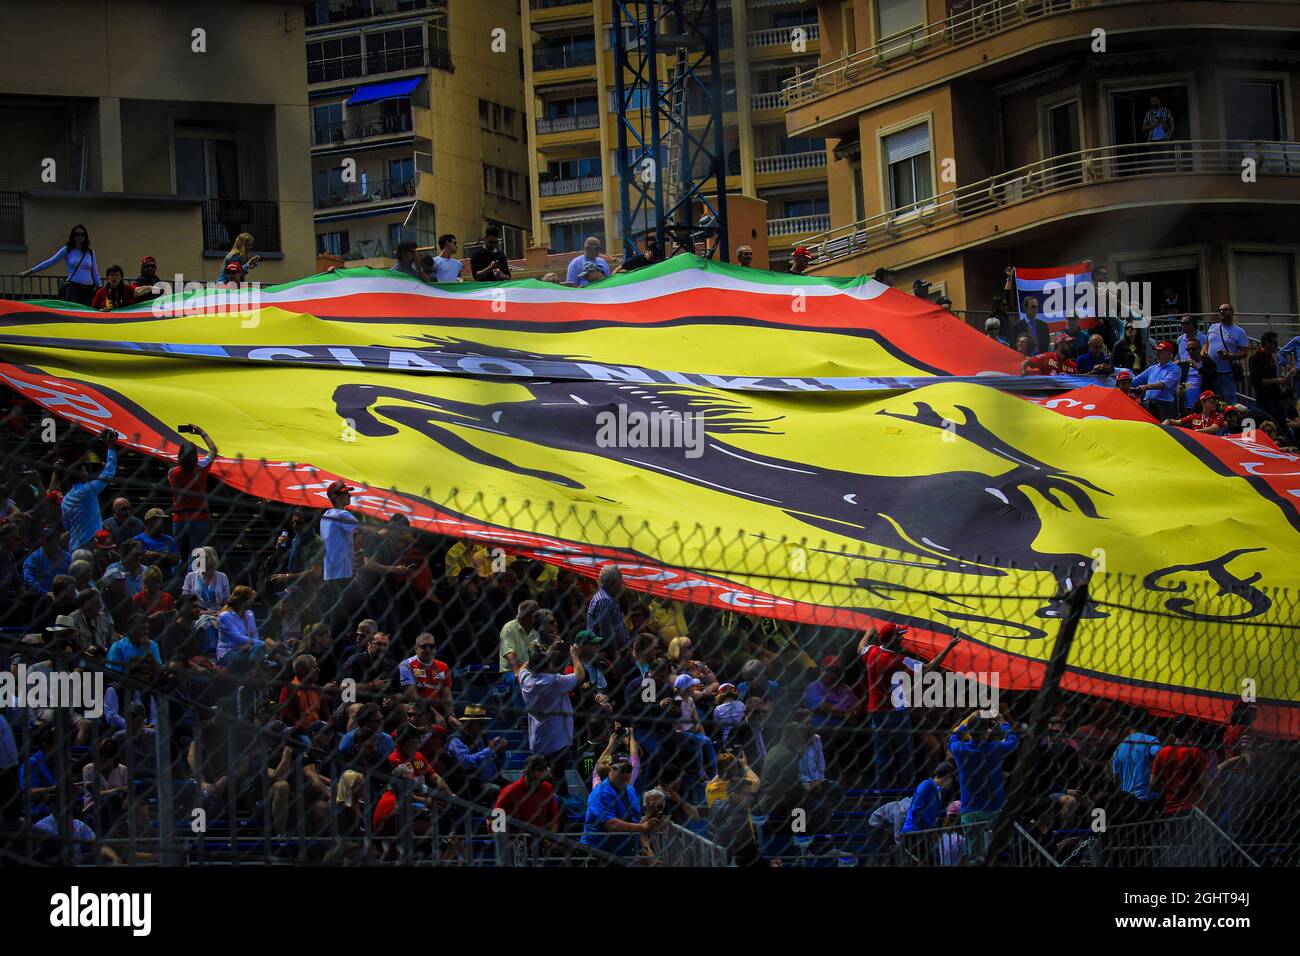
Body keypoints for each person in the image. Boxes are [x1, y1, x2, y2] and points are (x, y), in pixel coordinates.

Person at [946, 711, 1019, 861]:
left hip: (971, 812)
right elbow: (1013, 740)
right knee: (1000, 854)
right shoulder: (994, 749)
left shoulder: (961, 750)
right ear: (986, 731)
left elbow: (951, 739)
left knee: (975, 857)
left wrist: (965, 724)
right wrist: (1002, 722)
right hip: (994, 810)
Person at [518, 641, 586, 786]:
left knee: (541, 780)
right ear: (548, 665)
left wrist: (544, 655)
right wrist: (575, 656)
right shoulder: (553, 681)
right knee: (558, 779)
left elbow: (523, 668)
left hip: (538, 739)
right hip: (557, 740)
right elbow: (580, 675)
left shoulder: (526, 680)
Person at [859, 623, 915, 790]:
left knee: (881, 755)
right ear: (893, 640)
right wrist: (948, 648)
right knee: (905, 754)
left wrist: (869, 631)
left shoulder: (872, 652)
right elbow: (927, 668)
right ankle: (908, 791)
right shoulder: (897, 660)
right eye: (899, 637)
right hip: (896, 711)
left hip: (877, 712)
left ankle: (881, 791)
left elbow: (860, 647)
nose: (902, 639)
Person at [580, 754, 658, 857]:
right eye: (621, 770)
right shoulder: (601, 793)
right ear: (610, 770)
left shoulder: (630, 790)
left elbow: (636, 821)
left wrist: (645, 848)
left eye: (628, 770)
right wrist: (642, 827)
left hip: (625, 853)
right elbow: (611, 825)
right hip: (598, 853)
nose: (625, 774)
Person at [60, 429, 117, 552]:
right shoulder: (87, 491)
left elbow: (67, 525)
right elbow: (108, 473)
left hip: (74, 546)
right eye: (84, 469)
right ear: (80, 473)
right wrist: (110, 448)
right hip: (89, 544)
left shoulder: (66, 499)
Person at [168, 424, 218, 565]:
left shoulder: (173, 473)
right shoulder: (200, 468)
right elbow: (213, 450)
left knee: (179, 556)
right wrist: (202, 432)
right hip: (199, 518)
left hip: (179, 518)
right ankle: (196, 584)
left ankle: (177, 584)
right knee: (197, 558)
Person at [19, 224, 101, 305]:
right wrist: (29, 272)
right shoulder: (67, 250)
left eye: (82, 234)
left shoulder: (90, 252)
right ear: (73, 236)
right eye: (77, 234)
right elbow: (50, 262)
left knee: (87, 313)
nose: (80, 236)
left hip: (88, 289)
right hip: (74, 288)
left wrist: (100, 289)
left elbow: (95, 273)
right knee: (73, 311)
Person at [320, 480, 360, 633]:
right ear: (335, 497)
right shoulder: (342, 514)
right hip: (343, 572)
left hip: (331, 572)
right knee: (342, 616)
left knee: (333, 615)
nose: (349, 496)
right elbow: (362, 531)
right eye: (344, 493)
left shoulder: (326, 515)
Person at [1149, 717, 1210, 816]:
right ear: (1190, 732)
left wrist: (1170, 788)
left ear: (1173, 732)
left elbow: (1152, 782)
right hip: (1194, 808)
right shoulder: (1195, 752)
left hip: (1171, 809)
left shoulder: (1162, 752)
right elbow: (1206, 782)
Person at [398, 633, 457, 728]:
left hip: (439, 708)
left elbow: (447, 696)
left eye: (431, 646)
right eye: (424, 646)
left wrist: (451, 715)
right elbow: (412, 696)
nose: (428, 649)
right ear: (416, 649)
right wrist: (435, 714)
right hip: (416, 707)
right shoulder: (406, 665)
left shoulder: (443, 667)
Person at [493, 755, 561, 832]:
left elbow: (554, 818)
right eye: (540, 769)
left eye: (545, 768)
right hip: (516, 838)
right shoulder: (509, 791)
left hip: (540, 836)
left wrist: (550, 839)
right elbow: (496, 823)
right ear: (528, 771)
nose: (544, 772)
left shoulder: (548, 788)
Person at [1249, 331, 1293, 434]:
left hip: (1274, 398)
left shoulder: (1270, 357)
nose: (1276, 346)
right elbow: (1257, 382)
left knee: (1281, 426)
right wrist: (1277, 380)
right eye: (1275, 343)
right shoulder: (1256, 358)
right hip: (1265, 401)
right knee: (1271, 427)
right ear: (1267, 342)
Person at [1207, 303, 1250, 404]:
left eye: (1225, 309)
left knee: (1229, 403)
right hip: (1211, 373)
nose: (1221, 312)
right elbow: (1207, 343)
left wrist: (1229, 355)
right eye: (1220, 310)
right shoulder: (1212, 327)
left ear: (1232, 312)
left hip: (1226, 373)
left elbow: (1245, 352)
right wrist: (1204, 350)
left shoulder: (1239, 331)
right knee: (1213, 403)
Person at [216, 584, 265, 666]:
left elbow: (254, 635)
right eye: (250, 599)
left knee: (257, 649)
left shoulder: (250, 614)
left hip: (247, 648)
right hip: (229, 652)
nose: (253, 601)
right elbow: (237, 638)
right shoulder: (225, 616)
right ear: (241, 601)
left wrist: (259, 644)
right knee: (249, 659)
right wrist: (262, 643)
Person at [902, 762, 957, 834]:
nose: (952, 783)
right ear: (948, 776)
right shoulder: (926, 785)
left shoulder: (941, 793)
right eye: (952, 779)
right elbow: (916, 810)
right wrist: (932, 827)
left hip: (926, 832)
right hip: (914, 830)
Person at [1132, 341, 1181, 420]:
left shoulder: (1175, 369)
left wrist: (1147, 387)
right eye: (1157, 351)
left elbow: (1164, 384)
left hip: (1164, 405)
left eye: (1161, 352)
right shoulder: (1152, 368)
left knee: (1163, 429)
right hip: (1148, 404)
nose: (1157, 354)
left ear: (1170, 354)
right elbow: (1136, 381)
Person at [587, 564, 631, 650]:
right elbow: (606, 634)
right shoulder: (604, 600)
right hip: (614, 653)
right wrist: (616, 653)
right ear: (614, 582)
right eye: (620, 581)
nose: (622, 584)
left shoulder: (608, 597)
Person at [1176, 337, 1217, 413]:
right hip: (1187, 402)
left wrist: (1198, 367)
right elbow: (1190, 384)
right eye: (1188, 350)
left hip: (1203, 402)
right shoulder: (1185, 365)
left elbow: (1212, 377)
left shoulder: (1208, 363)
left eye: (1193, 349)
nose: (1190, 352)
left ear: (1199, 349)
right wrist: (1182, 388)